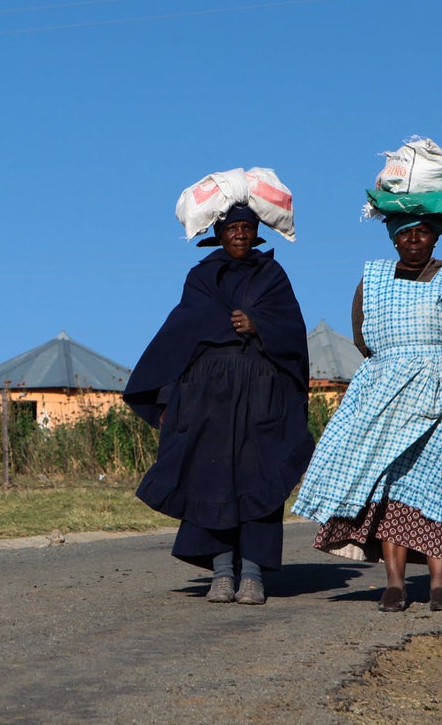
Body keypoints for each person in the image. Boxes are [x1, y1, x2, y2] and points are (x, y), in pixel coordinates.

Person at [124, 202, 314, 606]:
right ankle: (223, 572)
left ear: (256, 232)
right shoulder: (202, 277)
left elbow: (293, 332)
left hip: (262, 395)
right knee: (210, 480)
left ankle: (254, 575)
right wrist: (167, 398)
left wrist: (259, 325)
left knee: (259, 478)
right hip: (207, 398)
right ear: (220, 233)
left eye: (247, 227)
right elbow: (182, 334)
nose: (241, 234)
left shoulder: (272, 275)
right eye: (233, 228)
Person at [291, 212, 442, 612]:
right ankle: (395, 584)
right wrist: (394, 374)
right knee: (389, 486)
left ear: (435, 238)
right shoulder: (372, 281)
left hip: (441, 395)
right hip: (384, 393)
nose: (414, 240)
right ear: (394, 240)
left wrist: (437, 379)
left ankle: (439, 583)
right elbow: (362, 337)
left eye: (422, 232)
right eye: (405, 233)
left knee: (436, 486)